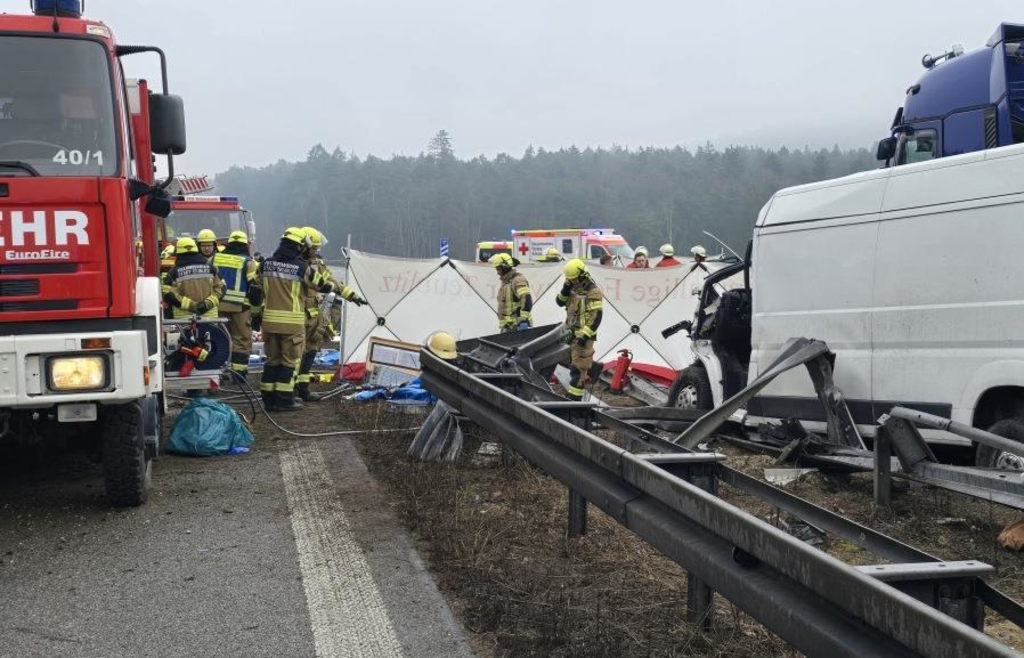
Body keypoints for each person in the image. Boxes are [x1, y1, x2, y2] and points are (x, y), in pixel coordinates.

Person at [294, 226, 367, 402]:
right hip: (294, 314)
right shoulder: (291, 264)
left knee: (310, 351)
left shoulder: (316, 263)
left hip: (312, 316)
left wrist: (351, 295)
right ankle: (289, 391)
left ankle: (302, 389)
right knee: (294, 354)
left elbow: (331, 281)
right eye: (314, 248)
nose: (315, 251)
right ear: (304, 246)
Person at [258, 227, 319, 412]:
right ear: (299, 247)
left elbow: (254, 291)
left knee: (272, 361)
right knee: (289, 362)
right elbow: (322, 284)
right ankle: (284, 401)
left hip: (269, 323)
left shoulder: (266, 264)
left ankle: (269, 401)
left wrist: (255, 316)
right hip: (292, 324)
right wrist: (346, 293)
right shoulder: (301, 267)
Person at [213, 230, 263, 379]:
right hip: (240, 307)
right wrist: (256, 312)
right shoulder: (248, 262)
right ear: (245, 245)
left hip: (217, 306)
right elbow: (254, 288)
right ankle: (239, 373)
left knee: (219, 338)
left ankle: (219, 371)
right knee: (241, 339)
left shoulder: (215, 258)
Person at [556, 259, 604, 401]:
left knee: (577, 369)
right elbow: (559, 302)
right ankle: (593, 368)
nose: (572, 281)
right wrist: (565, 290)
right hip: (571, 333)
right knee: (566, 360)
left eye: (574, 279)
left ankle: (574, 399)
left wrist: (584, 336)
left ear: (582, 275)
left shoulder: (593, 291)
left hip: (584, 336)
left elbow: (596, 316)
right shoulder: (572, 288)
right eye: (570, 279)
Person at [161, 237, 224, 321]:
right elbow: (222, 288)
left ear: (178, 253)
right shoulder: (211, 269)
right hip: (210, 318)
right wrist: (206, 304)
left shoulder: (173, 272)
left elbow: (167, 294)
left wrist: (191, 305)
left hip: (183, 320)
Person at [490, 253, 533, 333]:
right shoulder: (505, 283)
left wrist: (523, 320)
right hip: (508, 328)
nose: (497, 272)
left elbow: (526, 300)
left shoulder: (518, 280)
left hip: (519, 326)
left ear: (505, 267)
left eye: (498, 269)